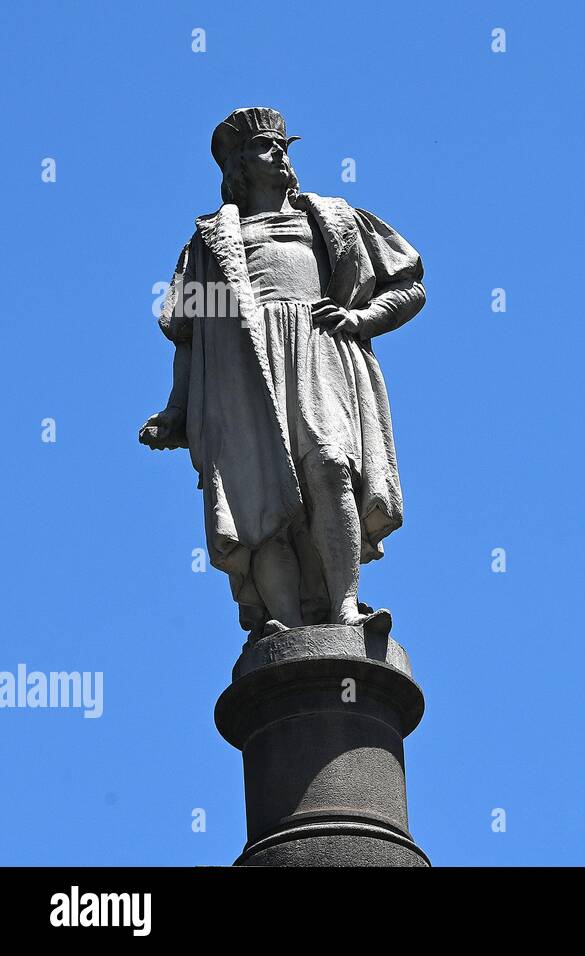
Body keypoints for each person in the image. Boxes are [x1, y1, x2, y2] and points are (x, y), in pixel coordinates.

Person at [140, 107, 425, 641]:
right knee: (259, 495)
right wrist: (176, 409)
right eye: (265, 146)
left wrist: (362, 319)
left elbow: (410, 286)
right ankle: (287, 626)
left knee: (331, 466)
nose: (279, 154)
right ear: (239, 165)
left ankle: (345, 609)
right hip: (242, 372)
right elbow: (190, 334)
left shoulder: (333, 219)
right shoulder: (210, 243)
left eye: (282, 145)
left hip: (320, 350)